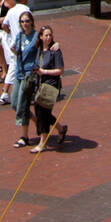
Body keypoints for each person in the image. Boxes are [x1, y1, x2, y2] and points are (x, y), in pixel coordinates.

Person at [31, 24, 68, 154]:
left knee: (42, 113)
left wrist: (44, 71)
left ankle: (43, 142)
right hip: (39, 85)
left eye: (50, 35)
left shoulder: (55, 50)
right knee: (42, 112)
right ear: (40, 37)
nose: (48, 37)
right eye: (46, 35)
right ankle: (61, 128)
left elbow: (60, 70)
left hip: (51, 85)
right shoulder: (39, 50)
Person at [0, 0, 31, 105]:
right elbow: (29, 26)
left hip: (14, 44)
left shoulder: (11, 11)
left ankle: (6, 93)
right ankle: (19, 93)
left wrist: (11, 34)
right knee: (26, 67)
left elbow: (4, 25)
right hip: (25, 43)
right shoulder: (26, 10)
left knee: (13, 66)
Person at [11, 11, 39, 146]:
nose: (25, 24)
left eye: (27, 21)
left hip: (29, 74)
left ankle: (24, 137)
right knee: (14, 104)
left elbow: (47, 44)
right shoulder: (19, 35)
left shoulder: (36, 36)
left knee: (23, 104)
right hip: (19, 72)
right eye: (22, 22)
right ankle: (40, 122)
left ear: (32, 22)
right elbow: (16, 51)